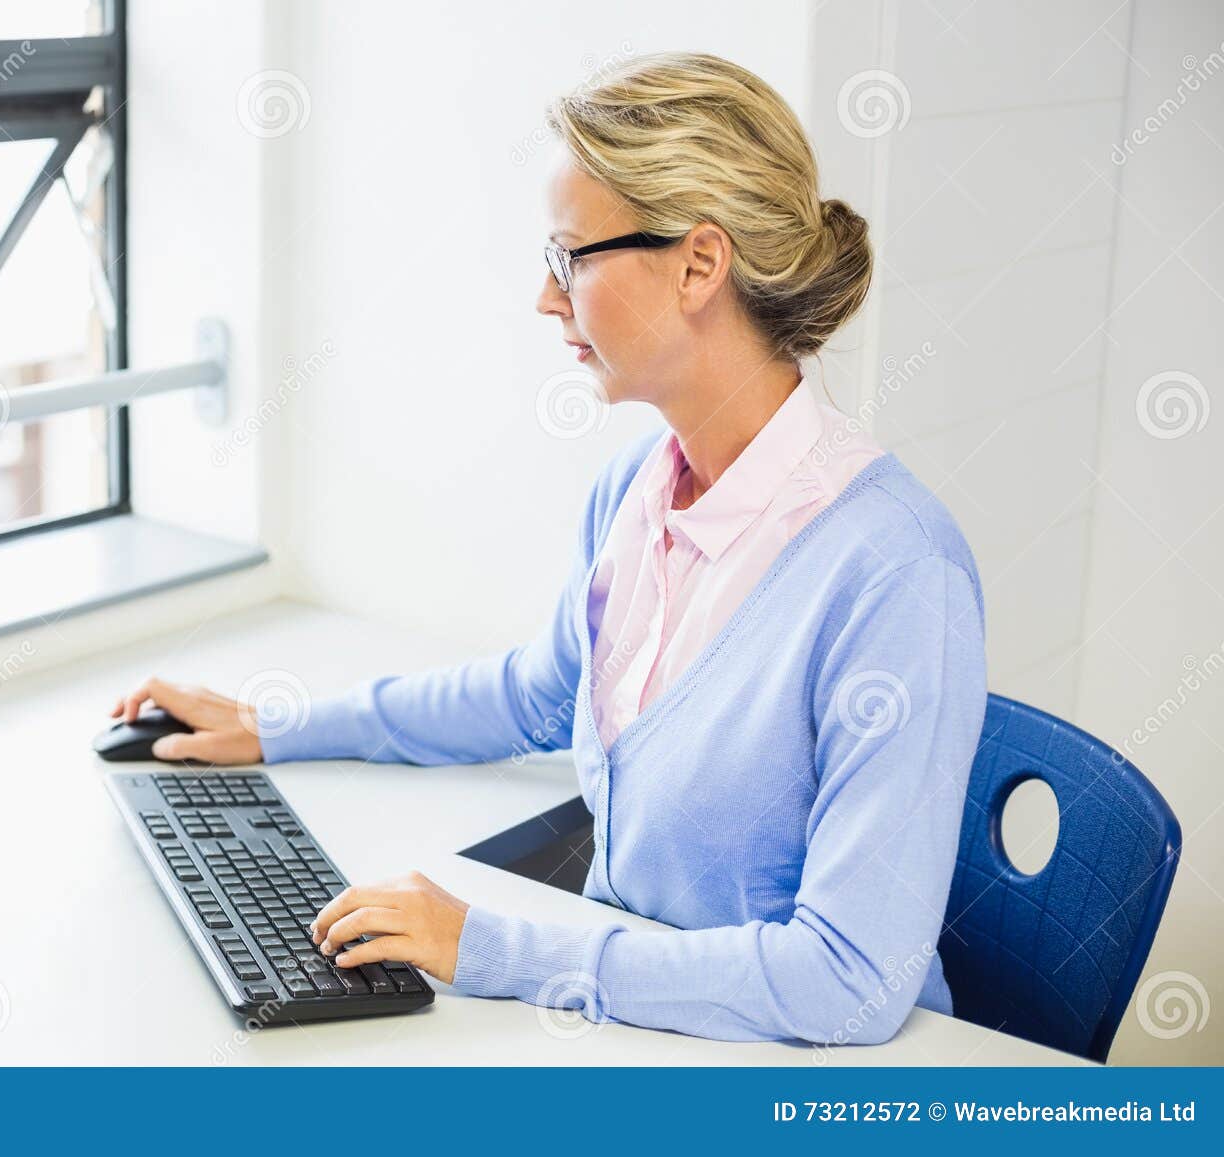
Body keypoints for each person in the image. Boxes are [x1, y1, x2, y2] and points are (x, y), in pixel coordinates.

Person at [110, 52, 987, 1044]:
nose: (544, 294)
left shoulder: (896, 570)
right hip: (646, 1034)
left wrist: (492, 947)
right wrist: (278, 724)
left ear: (700, 264)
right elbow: (537, 692)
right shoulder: (638, 488)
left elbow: (850, 978)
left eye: (571, 254)